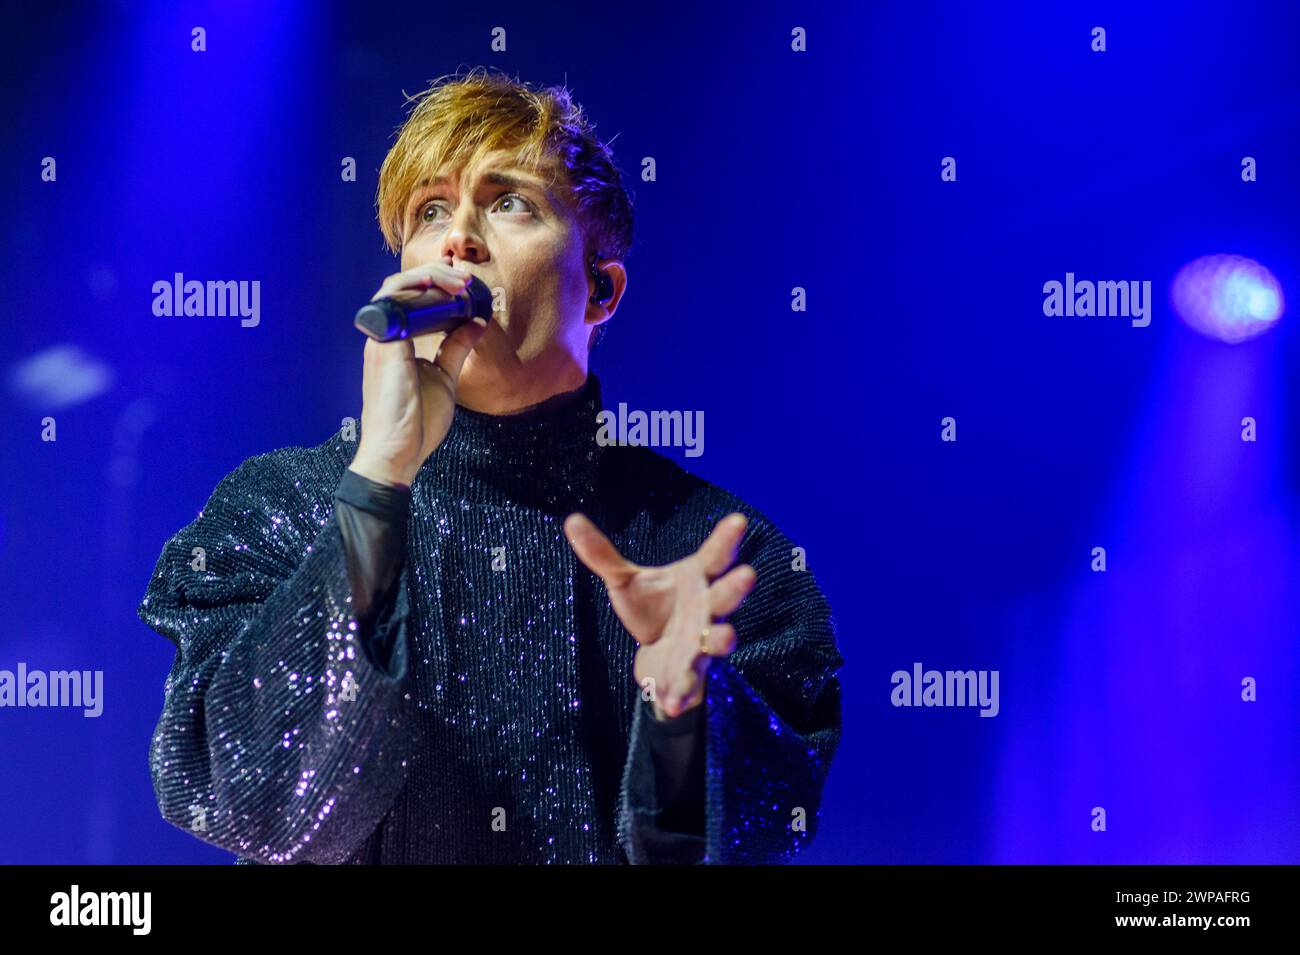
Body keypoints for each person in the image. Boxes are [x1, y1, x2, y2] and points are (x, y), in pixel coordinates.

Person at [137, 67, 844, 865]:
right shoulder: (282, 506)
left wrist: (681, 713)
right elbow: (250, 807)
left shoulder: (715, 550)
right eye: (431, 210)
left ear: (602, 290)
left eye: (511, 203)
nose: (459, 238)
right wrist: (378, 478)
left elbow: (733, 846)